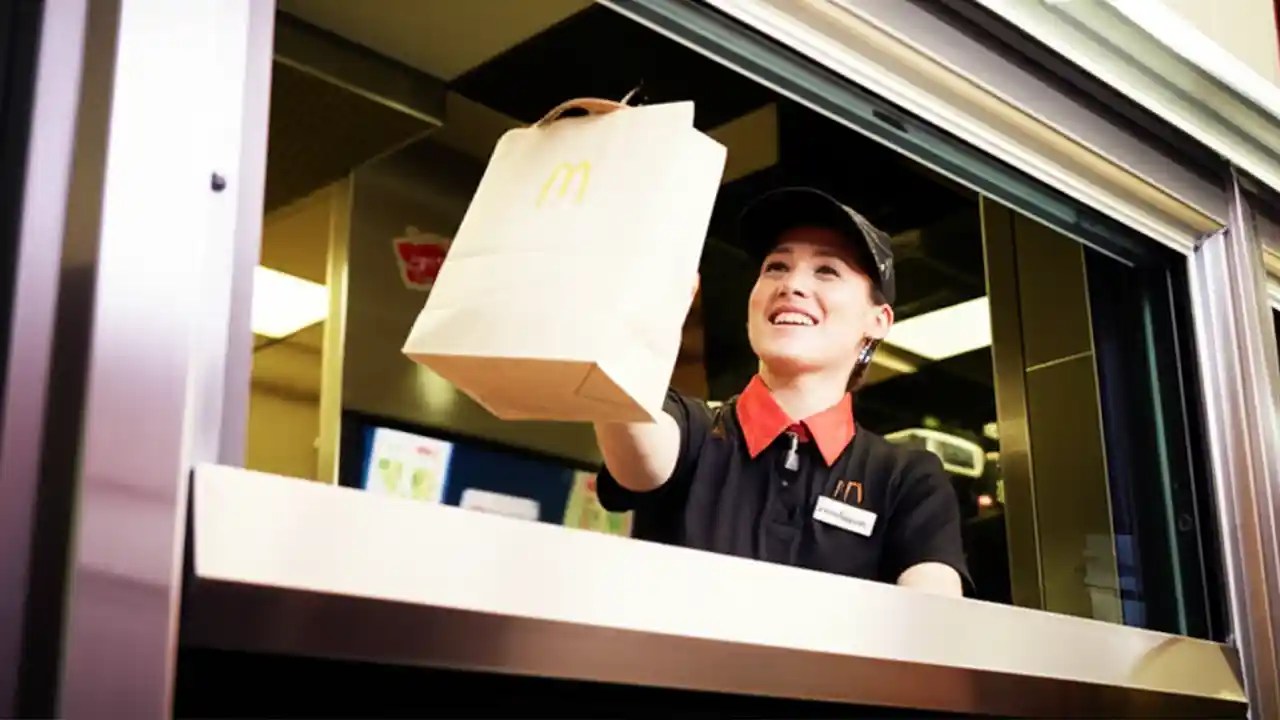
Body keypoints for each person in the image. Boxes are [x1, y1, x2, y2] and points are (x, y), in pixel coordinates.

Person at [592, 187, 969, 597]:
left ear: (878, 320)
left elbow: (934, 621)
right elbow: (636, 456)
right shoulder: (695, 432)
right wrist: (622, 323)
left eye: (826, 270)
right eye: (776, 266)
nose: (791, 284)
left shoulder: (904, 479)